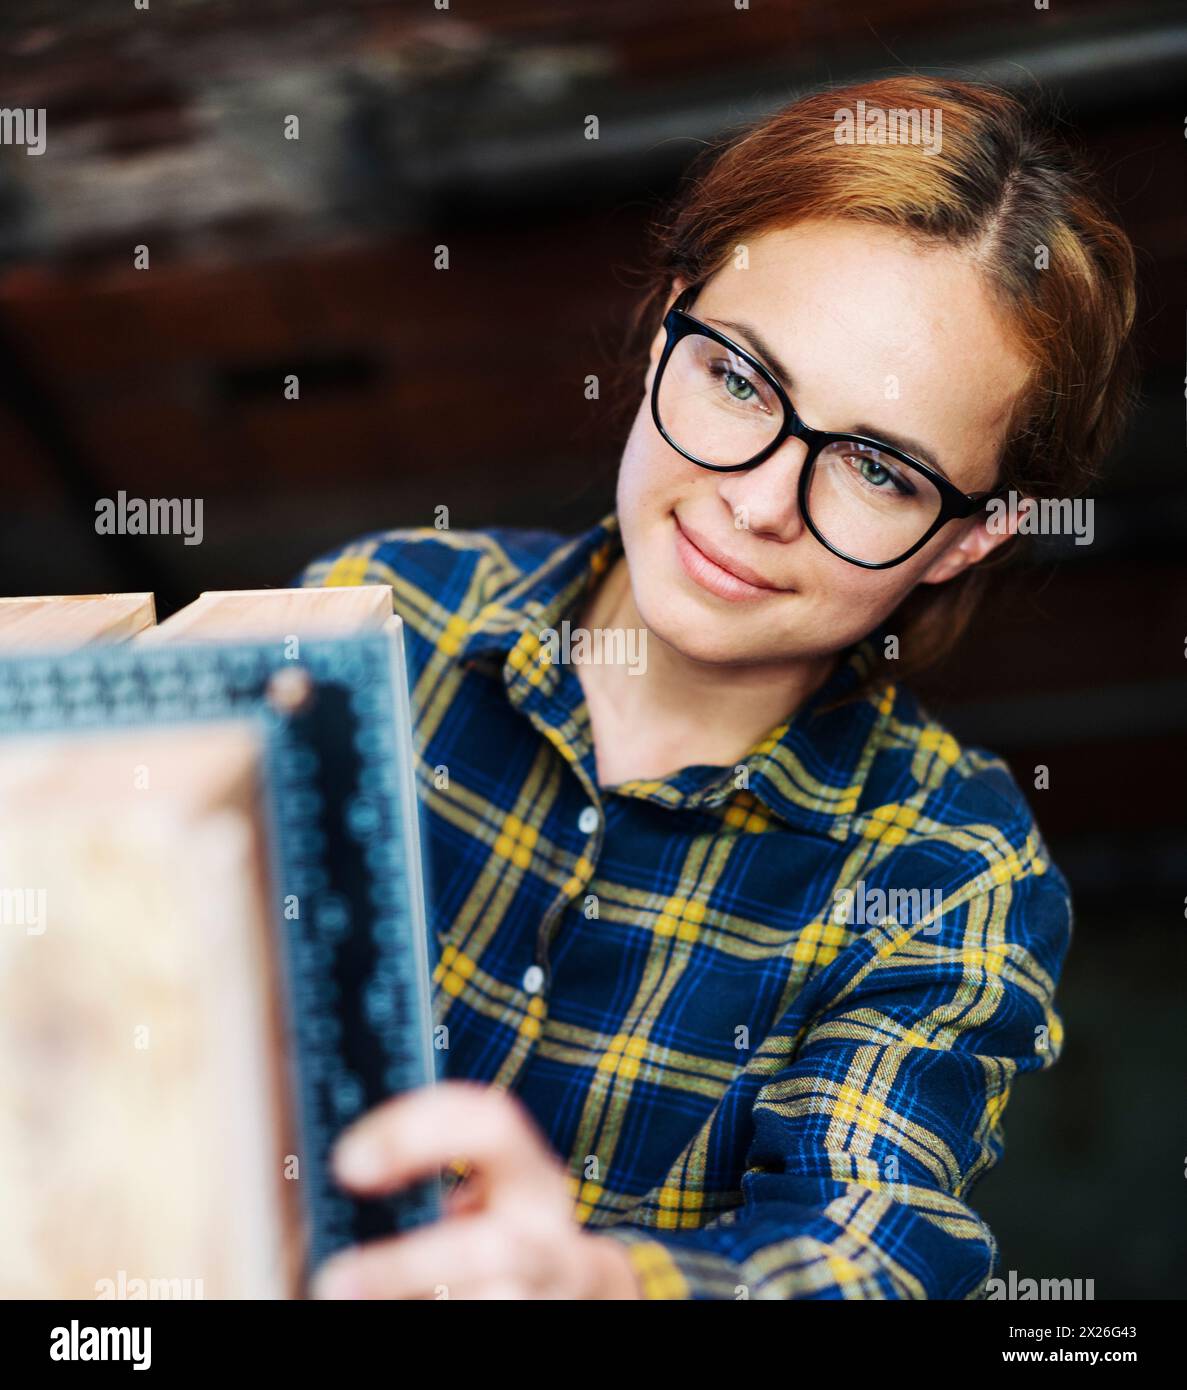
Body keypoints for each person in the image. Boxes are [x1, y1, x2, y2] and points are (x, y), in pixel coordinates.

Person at [299, 74, 1136, 1299]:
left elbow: (862, 1253)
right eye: (739, 380)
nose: (755, 500)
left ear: (967, 538)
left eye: (876, 469)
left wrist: (588, 1286)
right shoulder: (377, 616)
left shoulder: (949, 870)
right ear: (664, 327)